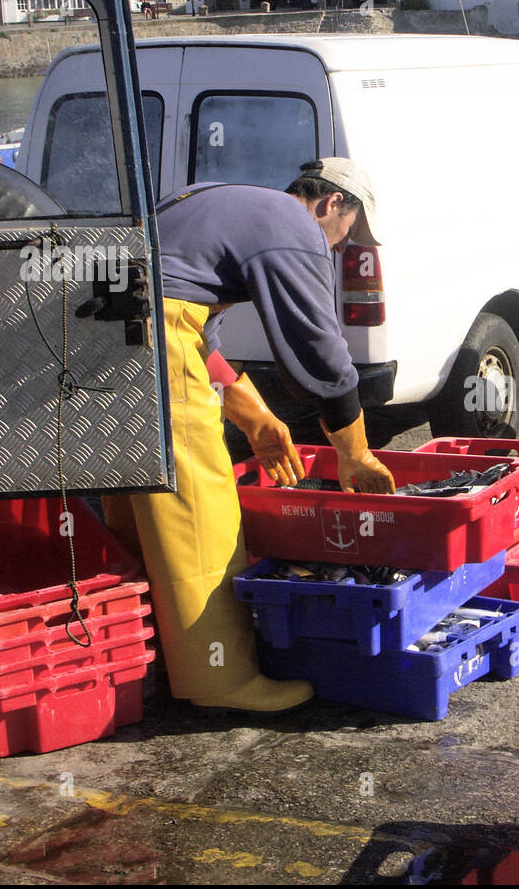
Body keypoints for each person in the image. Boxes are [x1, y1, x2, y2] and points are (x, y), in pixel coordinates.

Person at [104, 158, 395, 713]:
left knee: (138, 505)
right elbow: (321, 350)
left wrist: (256, 420)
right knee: (199, 511)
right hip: (149, 332)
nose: (336, 249)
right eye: (345, 234)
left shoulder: (219, 198)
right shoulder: (295, 224)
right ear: (332, 204)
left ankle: (142, 657)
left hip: (102, 326)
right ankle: (221, 679)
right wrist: (353, 453)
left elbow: (198, 339)